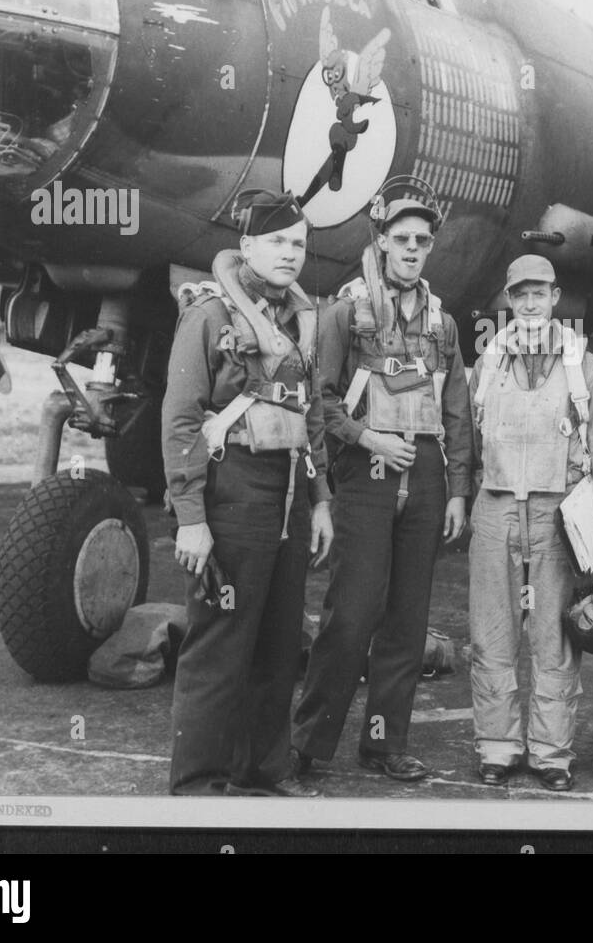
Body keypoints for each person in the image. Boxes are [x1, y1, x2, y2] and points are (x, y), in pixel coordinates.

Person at [290, 183, 473, 783]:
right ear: (382, 241)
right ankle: (310, 742)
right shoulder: (347, 314)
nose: (413, 249)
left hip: (423, 472)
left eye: (422, 240)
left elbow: (456, 411)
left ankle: (383, 745)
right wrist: (368, 440)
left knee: (407, 619)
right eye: (402, 239)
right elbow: (320, 401)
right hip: (367, 468)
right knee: (352, 612)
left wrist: (456, 491)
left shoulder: (442, 323)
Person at [163, 188, 334, 797]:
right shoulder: (209, 315)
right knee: (219, 643)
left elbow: (308, 414)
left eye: (299, 244)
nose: (290, 254)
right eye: (278, 242)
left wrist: (321, 502)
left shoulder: (299, 319)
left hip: (288, 492)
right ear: (247, 246)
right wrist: (191, 517)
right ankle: (199, 785)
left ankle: (262, 772)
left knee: (279, 643)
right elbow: (181, 419)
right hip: (230, 491)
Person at [467, 256, 593, 792]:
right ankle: (498, 745)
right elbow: (468, 440)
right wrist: (462, 501)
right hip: (496, 508)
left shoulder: (587, 367)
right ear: (509, 301)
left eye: (539, 294)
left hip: (559, 514)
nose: (530, 304)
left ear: (556, 297)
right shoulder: (489, 361)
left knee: (554, 636)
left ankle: (552, 753)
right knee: (493, 632)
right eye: (520, 295)